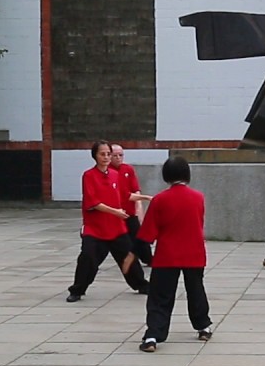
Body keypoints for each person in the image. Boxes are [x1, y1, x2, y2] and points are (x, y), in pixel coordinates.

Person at [135, 157, 212, 352]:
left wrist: (135, 250)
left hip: (167, 254)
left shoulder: (160, 199)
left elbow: (148, 232)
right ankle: (203, 326)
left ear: (166, 175)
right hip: (194, 252)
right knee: (196, 290)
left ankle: (153, 335)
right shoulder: (198, 197)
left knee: (160, 295)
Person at [66, 141, 145, 303]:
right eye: (103, 154)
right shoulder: (89, 175)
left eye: (108, 154)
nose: (107, 157)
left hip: (116, 228)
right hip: (95, 229)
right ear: (95, 156)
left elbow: (125, 195)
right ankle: (77, 290)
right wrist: (115, 212)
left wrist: (147, 198)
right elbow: (93, 202)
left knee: (128, 257)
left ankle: (141, 285)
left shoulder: (115, 175)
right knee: (88, 257)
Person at [109, 145, 149, 291]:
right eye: (114, 155)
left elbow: (132, 191)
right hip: (112, 218)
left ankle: (147, 261)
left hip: (128, 213)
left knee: (139, 238)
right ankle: (78, 288)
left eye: (121, 155)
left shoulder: (128, 170)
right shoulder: (105, 173)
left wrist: (139, 206)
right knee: (91, 255)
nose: (118, 158)